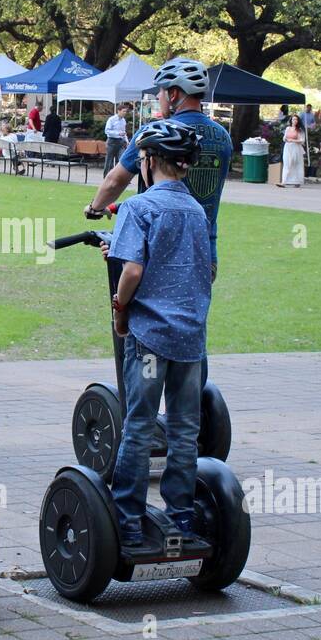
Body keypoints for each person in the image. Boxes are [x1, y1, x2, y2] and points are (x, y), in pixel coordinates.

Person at [87, 57, 232, 396]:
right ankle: (189, 411)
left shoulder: (153, 133)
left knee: (144, 327)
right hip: (202, 250)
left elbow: (115, 179)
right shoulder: (222, 138)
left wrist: (94, 208)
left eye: (163, 93)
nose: (160, 99)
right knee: (191, 326)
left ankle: (141, 415)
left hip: (154, 250)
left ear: (175, 93)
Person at [106, 119, 211, 550]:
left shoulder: (140, 207)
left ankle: (127, 519)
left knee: (140, 425)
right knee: (185, 430)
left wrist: (120, 306)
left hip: (149, 335)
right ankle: (182, 517)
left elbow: (132, 269)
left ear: (148, 162)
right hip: (191, 336)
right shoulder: (197, 210)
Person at [103, 103, 129, 176]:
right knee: (109, 160)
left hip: (121, 142)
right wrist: (117, 133)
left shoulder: (123, 120)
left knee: (121, 160)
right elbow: (107, 131)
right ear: (118, 111)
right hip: (112, 141)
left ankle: (119, 176)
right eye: (123, 111)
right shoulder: (111, 119)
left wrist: (127, 141)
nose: (125, 113)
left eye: (126, 111)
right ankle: (106, 177)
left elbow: (124, 132)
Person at [279, 118, 305, 188]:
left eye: (296, 120)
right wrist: (286, 139)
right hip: (287, 147)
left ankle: (297, 181)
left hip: (296, 148)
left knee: (295, 163)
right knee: (287, 163)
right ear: (291, 121)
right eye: (293, 119)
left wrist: (293, 140)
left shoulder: (299, 130)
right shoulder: (288, 128)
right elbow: (284, 138)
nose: (295, 121)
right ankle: (284, 182)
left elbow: (302, 140)